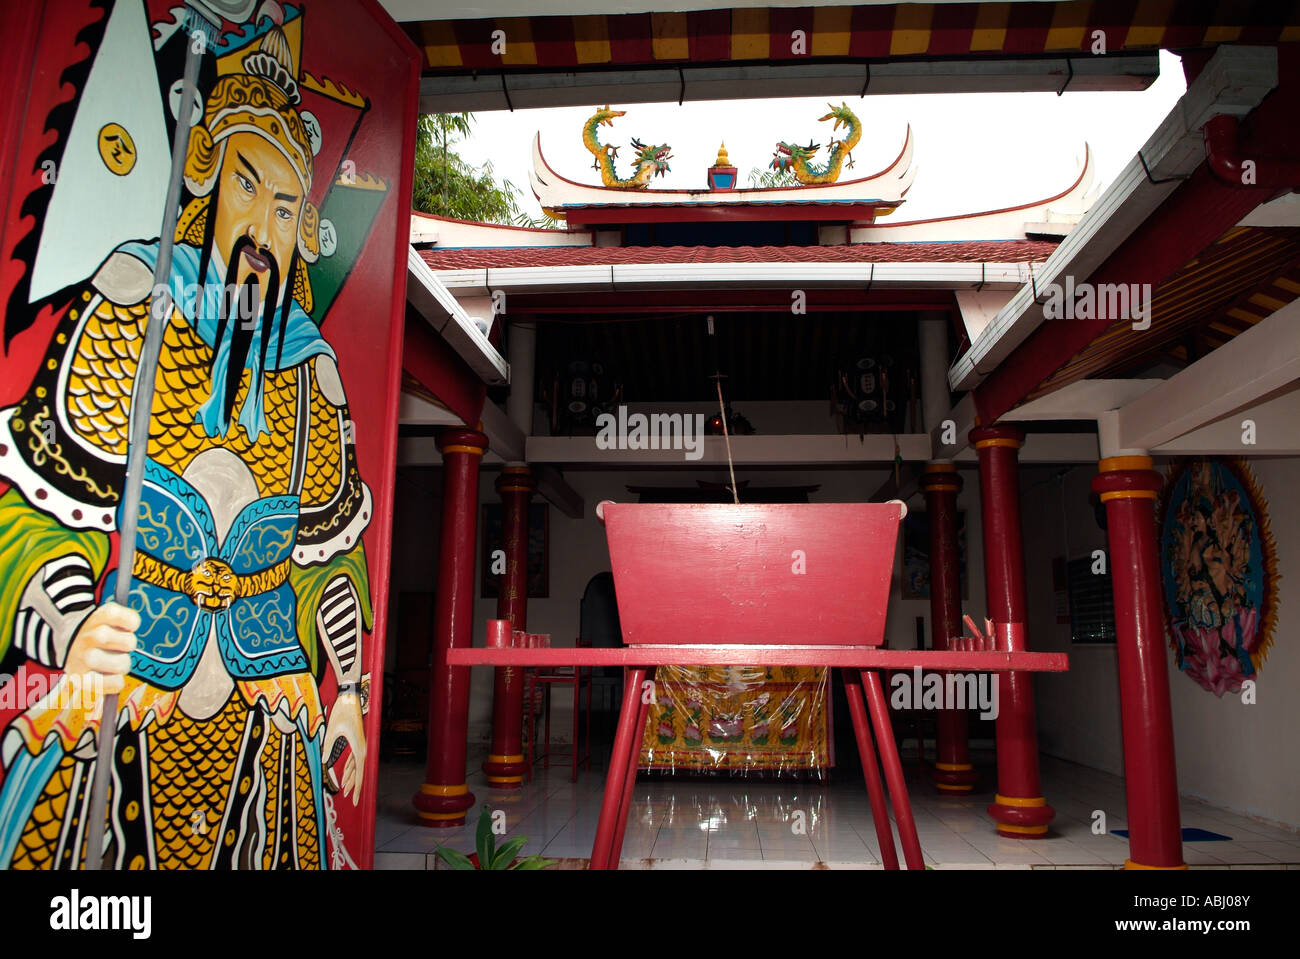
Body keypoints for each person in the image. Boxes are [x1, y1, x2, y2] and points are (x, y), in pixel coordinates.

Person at [0, 23, 370, 870]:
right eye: (250, 186)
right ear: (205, 169)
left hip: (265, 708)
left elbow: (326, 562)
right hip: (128, 696)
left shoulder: (311, 374)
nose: (263, 229)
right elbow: (39, 515)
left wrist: (347, 688)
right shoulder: (130, 310)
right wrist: (71, 625)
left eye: (286, 209)